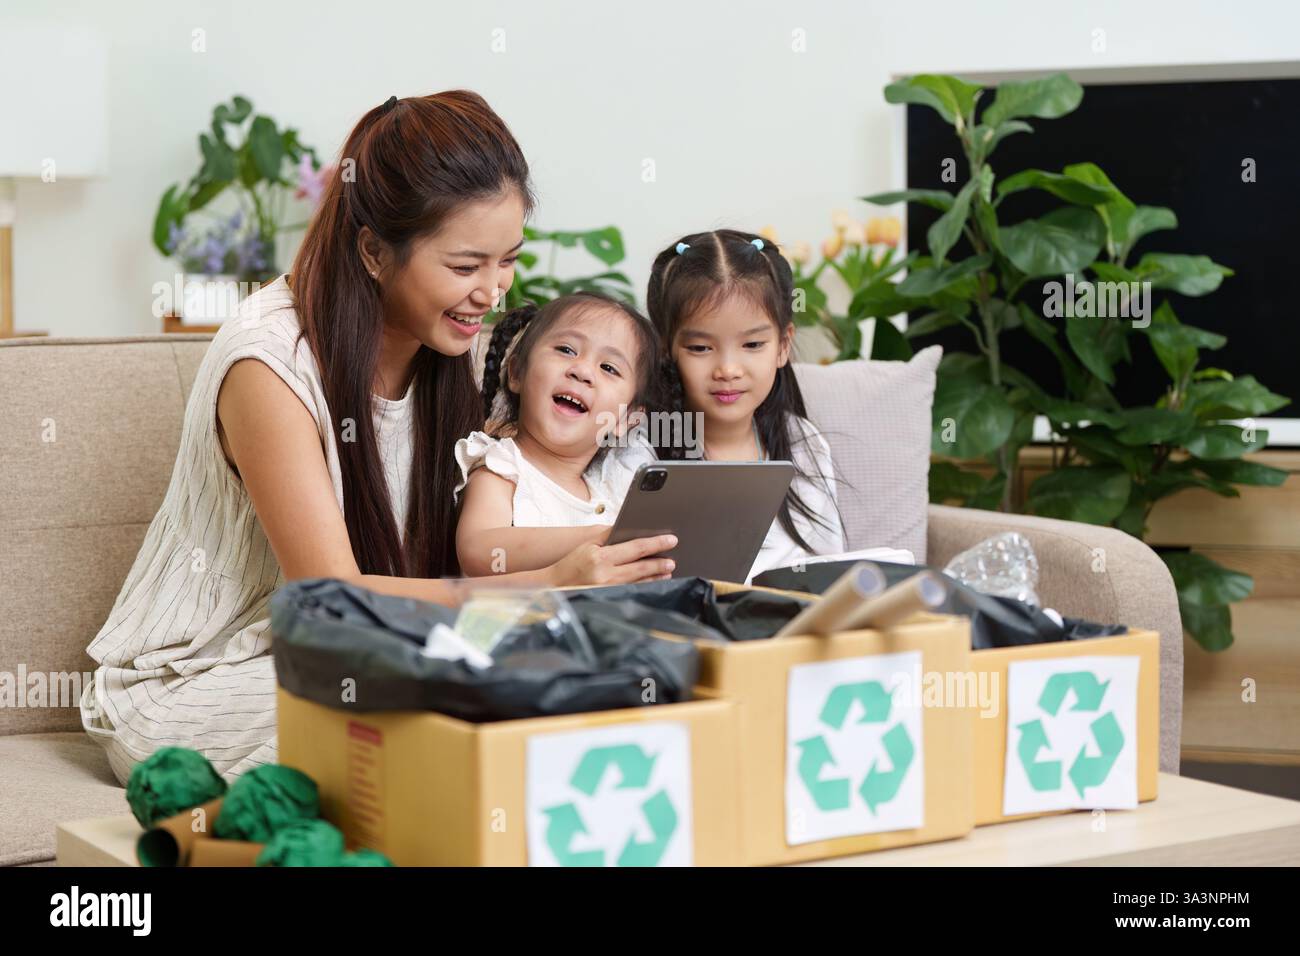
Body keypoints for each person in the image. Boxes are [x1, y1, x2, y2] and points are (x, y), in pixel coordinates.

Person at [81, 92, 675, 784]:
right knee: (434, 737)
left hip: (375, 649)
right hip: (198, 681)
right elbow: (333, 600)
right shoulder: (269, 363)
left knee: (600, 688)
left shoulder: (450, 348)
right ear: (373, 250)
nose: (493, 291)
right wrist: (543, 589)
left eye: (507, 260)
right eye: (464, 266)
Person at [646, 228, 845, 582]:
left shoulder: (803, 441)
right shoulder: (644, 448)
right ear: (666, 349)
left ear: (783, 345)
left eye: (752, 345)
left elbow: (831, 570)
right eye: (700, 348)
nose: (728, 370)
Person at [454, 293, 661, 575]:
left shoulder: (614, 486)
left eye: (608, 368)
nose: (583, 371)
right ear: (516, 373)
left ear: (627, 418)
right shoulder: (503, 470)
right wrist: (601, 538)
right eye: (566, 350)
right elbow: (479, 552)